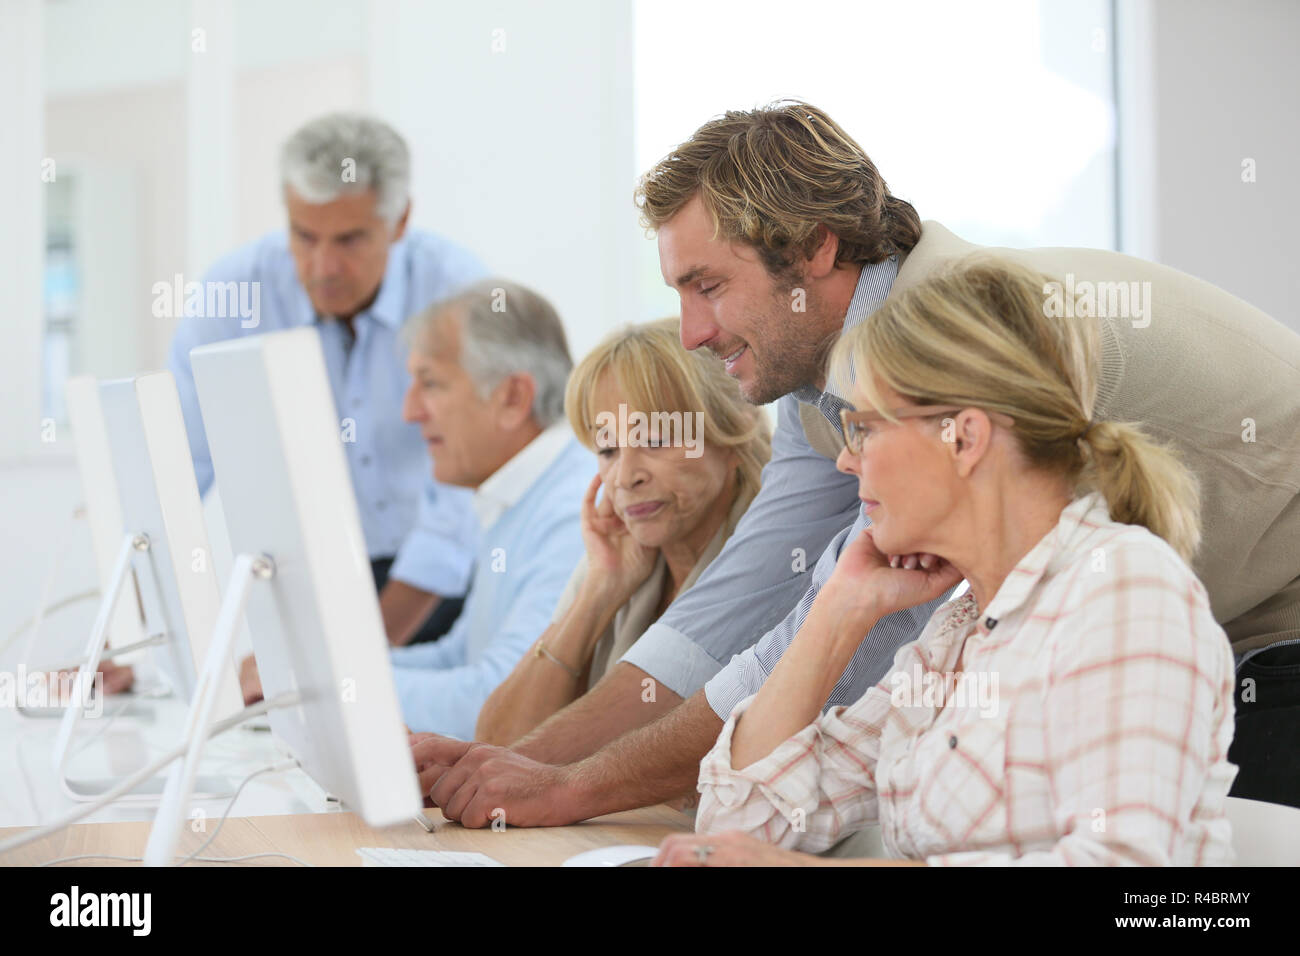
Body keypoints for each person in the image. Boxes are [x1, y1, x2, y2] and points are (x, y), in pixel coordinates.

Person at [414, 100, 1300, 827]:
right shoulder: (838, 377)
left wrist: (575, 786)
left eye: (709, 286)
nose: (692, 334)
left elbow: (839, 636)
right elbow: (744, 612)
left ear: (815, 250)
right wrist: (520, 765)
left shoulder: (959, 344)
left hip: (1276, 646)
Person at [651, 259, 1237, 866]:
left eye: (863, 429)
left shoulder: (1125, 592)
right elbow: (743, 819)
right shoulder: (958, 633)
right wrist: (839, 608)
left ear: (964, 438)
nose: (848, 462)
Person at [164, 113, 485, 701]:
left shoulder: (457, 291)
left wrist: (357, 653)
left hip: (435, 580)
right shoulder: (233, 294)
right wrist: (139, 644)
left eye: (350, 240)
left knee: (411, 744)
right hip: (306, 575)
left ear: (400, 220)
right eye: (304, 236)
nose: (323, 267)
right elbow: (174, 474)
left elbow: (460, 502)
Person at [472, 318, 770, 745]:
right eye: (608, 449)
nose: (626, 477)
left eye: (654, 440)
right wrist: (598, 591)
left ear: (734, 430)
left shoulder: (773, 562)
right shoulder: (619, 555)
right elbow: (500, 743)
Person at [387, 279, 591, 738]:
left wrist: (328, 690)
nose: (410, 411)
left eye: (431, 384)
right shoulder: (520, 491)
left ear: (513, 398)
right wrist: (326, 673)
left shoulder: (572, 507)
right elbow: (459, 657)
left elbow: (496, 702)